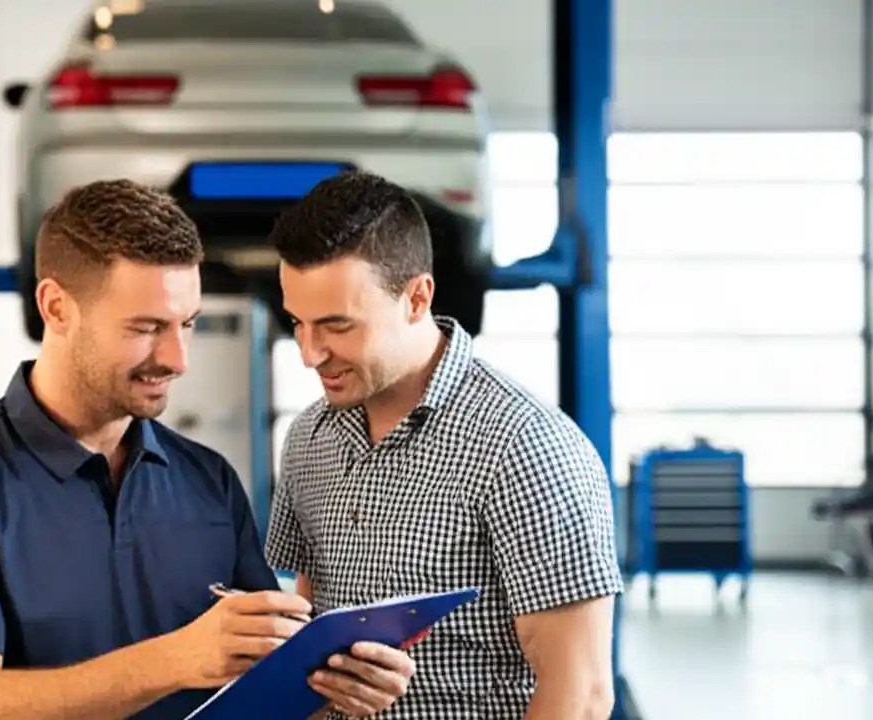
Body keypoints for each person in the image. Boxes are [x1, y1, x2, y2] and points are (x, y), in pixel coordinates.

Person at [0, 179, 414, 720]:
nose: (177, 358)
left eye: (187, 324)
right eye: (146, 327)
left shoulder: (208, 480)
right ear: (56, 308)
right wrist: (174, 660)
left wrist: (335, 689)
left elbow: (268, 685)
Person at [265, 172, 623, 719]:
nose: (310, 354)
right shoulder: (308, 438)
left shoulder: (527, 446)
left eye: (337, 326)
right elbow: (308, 627)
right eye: (298, 323)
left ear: (417, 297)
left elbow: (581, 696)